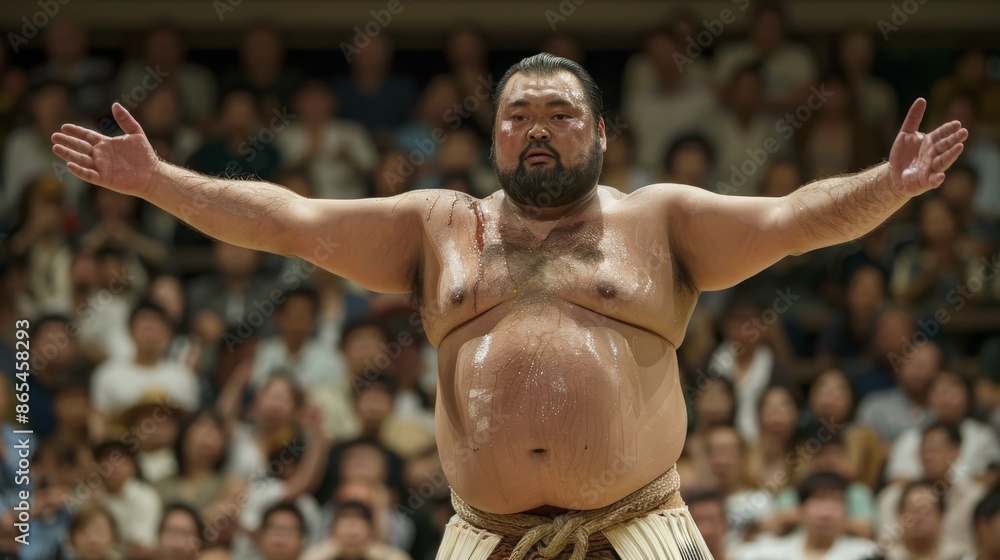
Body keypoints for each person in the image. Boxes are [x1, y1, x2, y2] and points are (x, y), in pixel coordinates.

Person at [52, 52, 968, 560]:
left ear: (602, 132)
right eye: (516, 115)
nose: (536, 128)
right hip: (484, 536)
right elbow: (291, 220)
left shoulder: (661, 222)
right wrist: (160, 181)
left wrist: (889, 187)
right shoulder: (435, 227)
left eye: (560, 114)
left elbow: (790, 218)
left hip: (636, 527)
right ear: (492, 136)